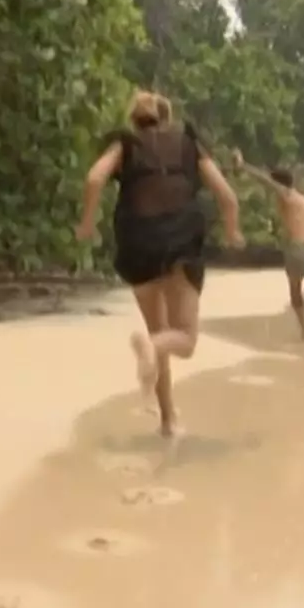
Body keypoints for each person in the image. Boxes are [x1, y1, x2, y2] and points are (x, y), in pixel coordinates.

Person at [75, 91, 244, 438]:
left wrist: (87, 224)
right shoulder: (187, 144)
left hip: (138, 244)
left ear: (134, 120)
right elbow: (226, 196)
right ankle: (152, 354)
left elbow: (94, 179)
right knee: (183, 339)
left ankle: (168, 422)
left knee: (159, 333)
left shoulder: (126, 144)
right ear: (166, 119)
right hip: (181, 242)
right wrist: (232, 231)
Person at [232, 150, 304, 341]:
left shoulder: (286, 194)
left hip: (299, 249)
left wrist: (243, 165)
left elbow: (263, 179)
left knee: (295, 294)